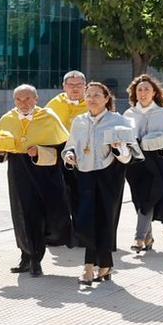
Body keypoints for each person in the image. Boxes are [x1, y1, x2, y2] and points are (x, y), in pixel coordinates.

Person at [0, 84, 70, 276]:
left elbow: (63, 148)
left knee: (42, 214)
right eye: (19, 100)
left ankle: (36, 256)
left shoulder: (49, 117)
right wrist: (1, 150)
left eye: (28, 99)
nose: (23, 103)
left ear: (36, 99)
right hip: (18, 171)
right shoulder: (8, 118)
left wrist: (40, 151)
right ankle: (28, 257)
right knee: (22, 214)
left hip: (45, 173)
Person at [62, 81, 136, 291]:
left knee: (103, 219)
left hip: (109, 176)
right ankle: (105, 264)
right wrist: (69, 155)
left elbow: (130, 156)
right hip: (84, 175)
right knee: (85, 220)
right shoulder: (79, 121)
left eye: (97, 95)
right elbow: (70, 146)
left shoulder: (118, 121)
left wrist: (119, 148)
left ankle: (88, 267)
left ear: (106, 98)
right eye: (89, 95)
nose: (92, 99)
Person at [123, 74, 163, 250]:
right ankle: (148, 237)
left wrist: (158, 145)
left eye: (147, 89)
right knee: (138, 200)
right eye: (139, 89)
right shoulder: (128, 114)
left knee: (149, 197)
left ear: (154, 92)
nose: (143, 92)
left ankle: (139, 238)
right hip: (134, 163)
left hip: (157, 163)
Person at [47, 70, 91, 247]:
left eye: (79, 85)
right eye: (71, 85)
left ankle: (82, 234)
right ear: (64, 86)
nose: (75, 88)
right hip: (59, 153)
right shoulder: (54, 104)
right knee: (58, 194)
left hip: (86, 154)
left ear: (85, 86)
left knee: (82, 195)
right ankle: (58, 234)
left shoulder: (92, 101)